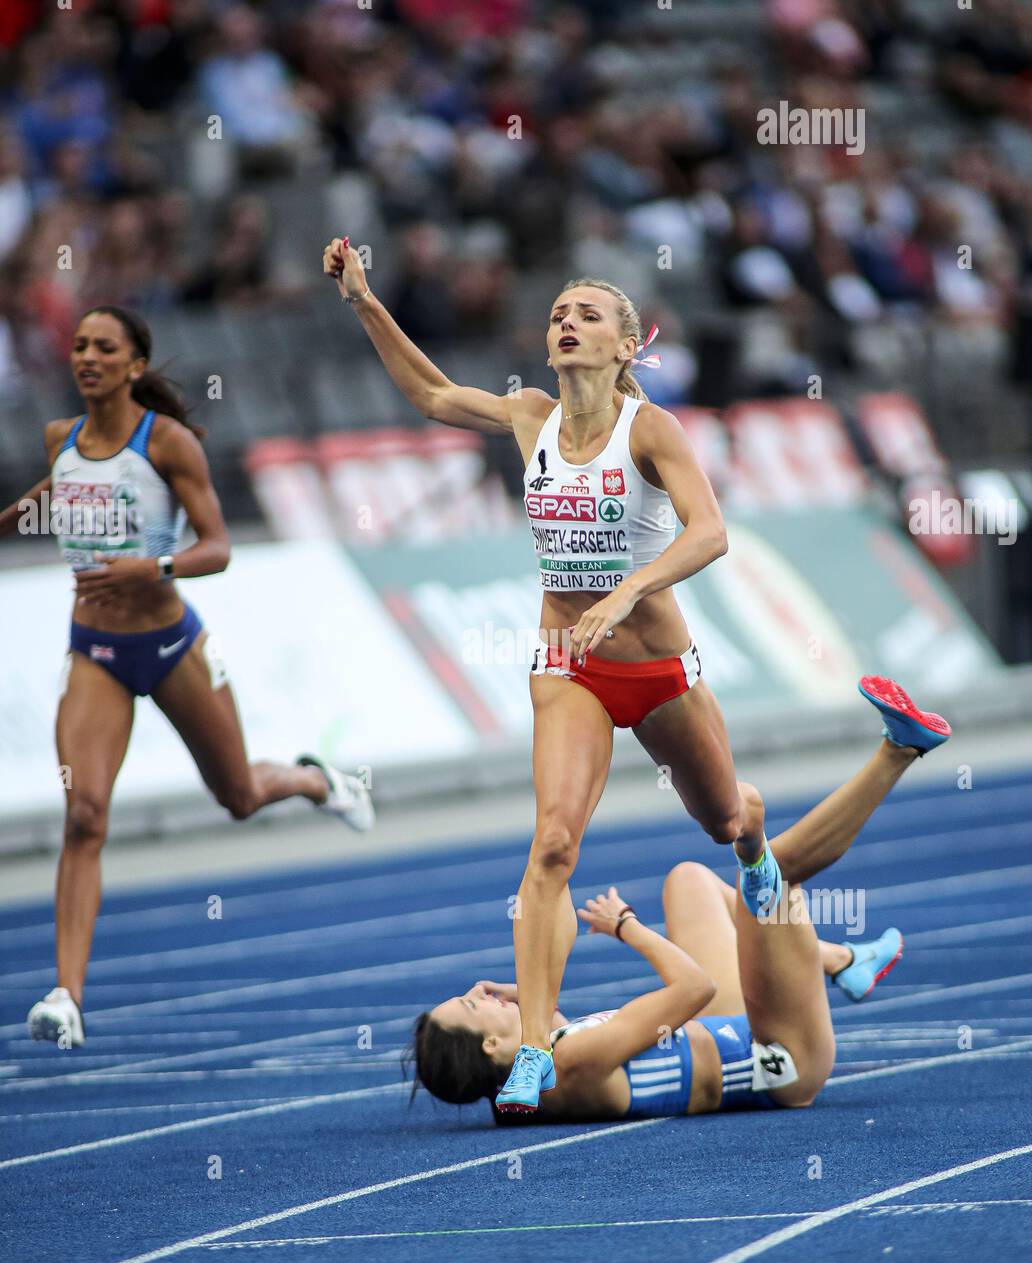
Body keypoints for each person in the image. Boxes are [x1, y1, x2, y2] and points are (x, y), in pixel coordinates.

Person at [323, 234, 782, 1113]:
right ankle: (534, 1046)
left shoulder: (651, 429)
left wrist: (630, 590)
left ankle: (756, 843)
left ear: (625, 345)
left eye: (590, 315)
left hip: (655, 668)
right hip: (568, 664)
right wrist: (363, 299)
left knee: (722, 815)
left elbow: (711, 531)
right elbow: (427, 392)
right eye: (559, 314)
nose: (569, 323)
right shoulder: (529, 413)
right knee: (553, 844)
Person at [0, 304, 373, 1049]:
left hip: (174, 647)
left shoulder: (165, 442)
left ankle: (313, 780)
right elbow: (59, 498)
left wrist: (153, 565)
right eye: (79, 346)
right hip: (94, 655)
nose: (87, 357)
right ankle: (67, 997)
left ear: (135, 365)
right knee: (84, 817)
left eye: (105, 347)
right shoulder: (58, 439)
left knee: (238, 796)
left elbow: (219, 546)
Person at [410, 677, 950, 1122]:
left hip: (730, 1025)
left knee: (688, 879)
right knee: (769, 883)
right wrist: (627, 927)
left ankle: (840, 959)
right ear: (488, 1047)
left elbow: (563, 1029)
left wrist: (527, 997)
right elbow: (696, 986)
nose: (479, 993)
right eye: (469, 1004)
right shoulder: (570, 1063)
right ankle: (899, 749)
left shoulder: (538, 1078)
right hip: (782, 1054)